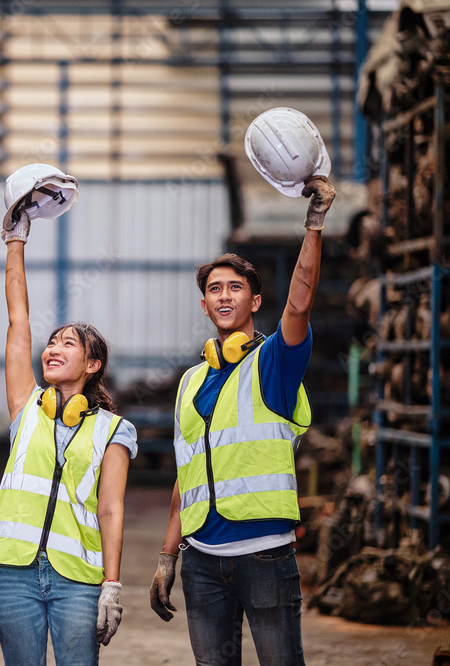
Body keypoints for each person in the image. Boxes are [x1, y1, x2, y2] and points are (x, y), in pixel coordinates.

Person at [148, 174, 336, 665]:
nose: (224, 295)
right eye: (215, 289)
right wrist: (168, 556)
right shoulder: (191, 381)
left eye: (236, 287)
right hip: (201, 561)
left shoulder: (274, 363)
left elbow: (300, 301)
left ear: (255, 302)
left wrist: (314, 224)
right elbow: (186, 475)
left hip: (264, 555)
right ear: (205, 304)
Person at [0, 164, 138, 666]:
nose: (52, 349)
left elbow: (112, 510)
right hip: (12, 574)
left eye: (68, 344)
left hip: (77, 580)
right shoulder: (27, 407)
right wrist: (15, 239)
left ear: (92, 365)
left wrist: (111, 584)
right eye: (52, 342)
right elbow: (18, 321)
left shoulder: (114, 430)